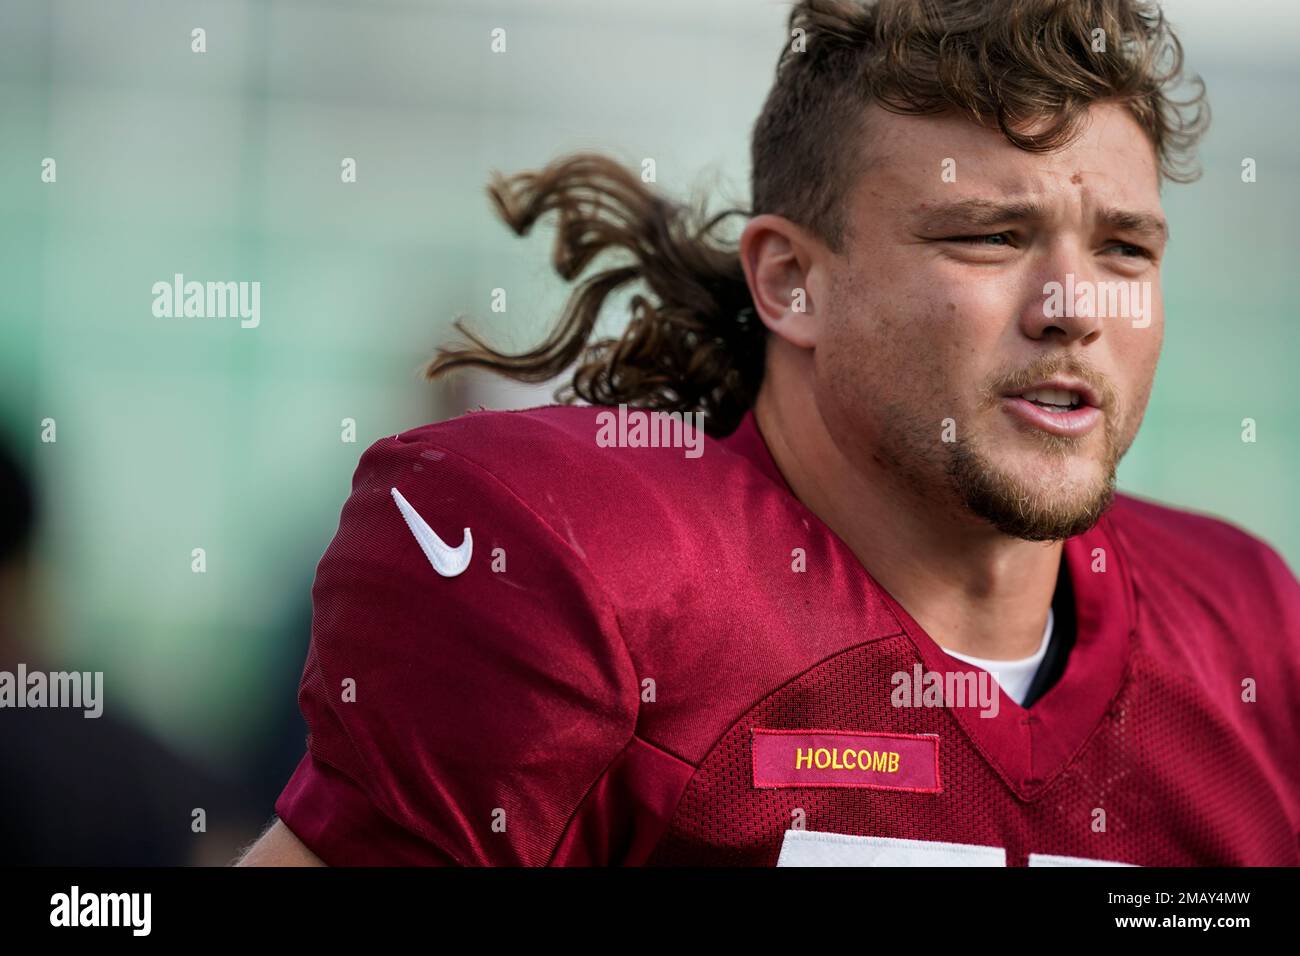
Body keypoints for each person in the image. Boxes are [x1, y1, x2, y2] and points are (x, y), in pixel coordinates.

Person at [239, 0, 1300, 867]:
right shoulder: (585, 567)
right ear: (792, 282)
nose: (1075, 304)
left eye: (1123, 249)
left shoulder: (1246, 628)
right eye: (990, 235)